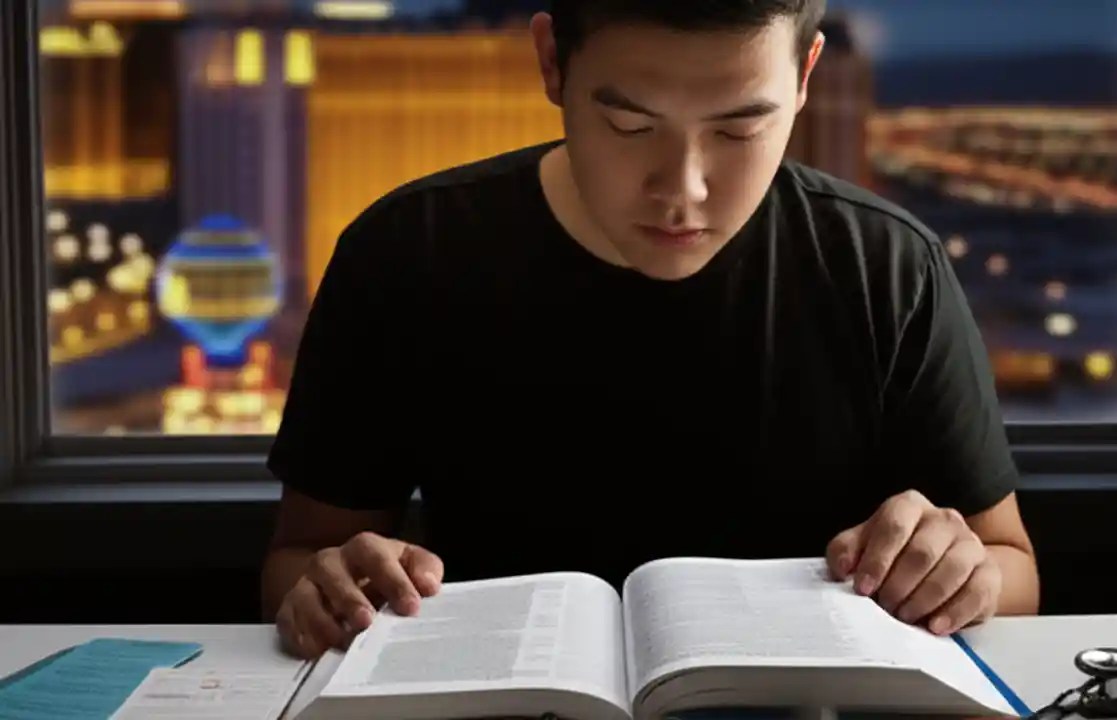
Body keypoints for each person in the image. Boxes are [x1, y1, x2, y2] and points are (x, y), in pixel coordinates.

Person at [261, 0, 1040, 661]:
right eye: (631, 125)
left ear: (805, 77)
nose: (684, 191)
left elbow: (1013, 569)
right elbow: (298, 561)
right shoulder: (407, 252)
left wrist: (959, 571)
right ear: (551, 64)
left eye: (739, 132)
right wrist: (326, 587)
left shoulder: (885, 268)